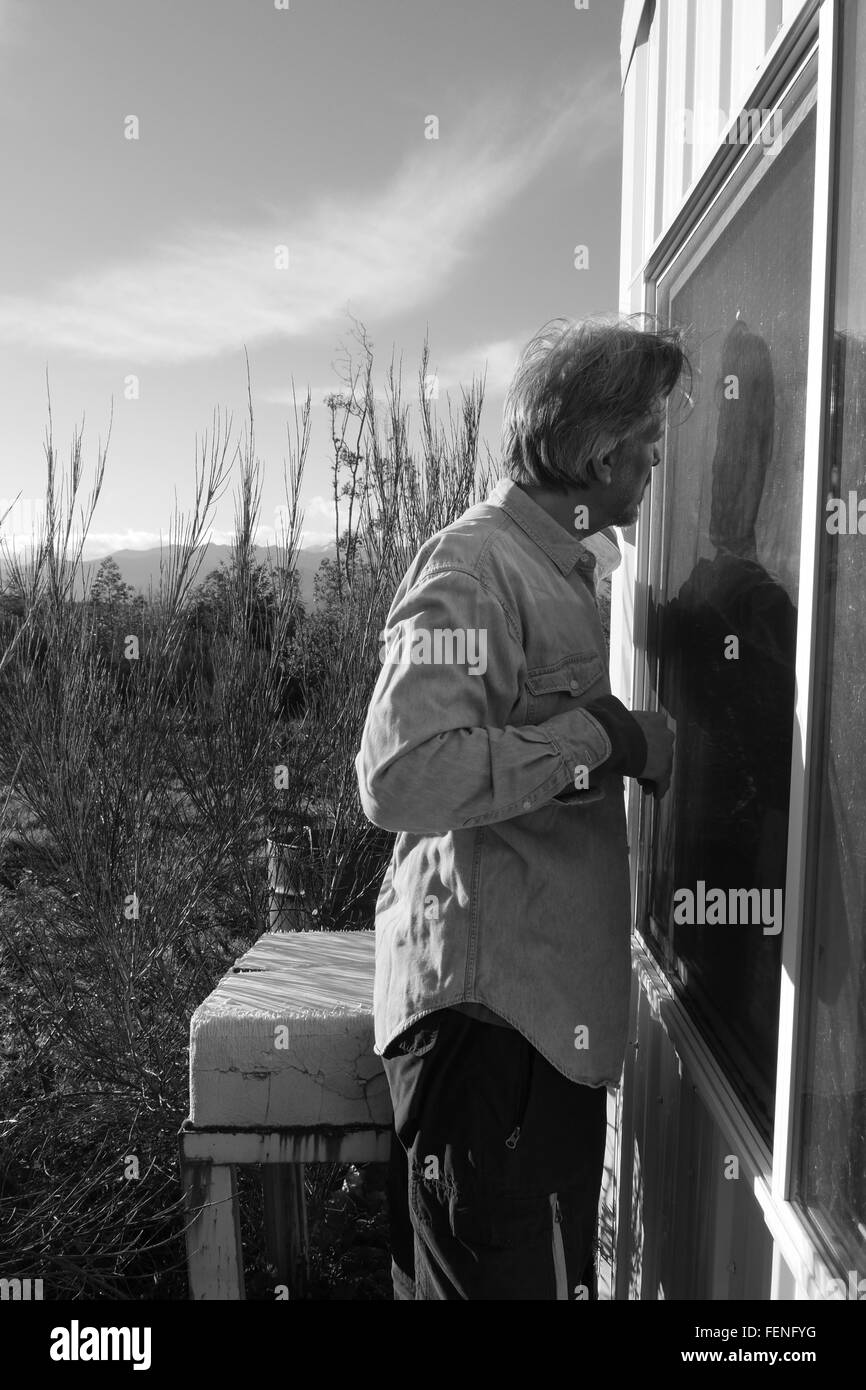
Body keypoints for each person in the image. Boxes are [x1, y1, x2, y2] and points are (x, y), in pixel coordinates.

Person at [355, 314, 686, 1299]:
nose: (658, 459)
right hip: (490, 1037)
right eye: (646, 440)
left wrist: (587, 742)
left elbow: (508, 749)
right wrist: (605, 738)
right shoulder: (476, 569)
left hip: (523, 1035)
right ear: (594, 451)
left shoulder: (557, 570)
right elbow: (402, 773)